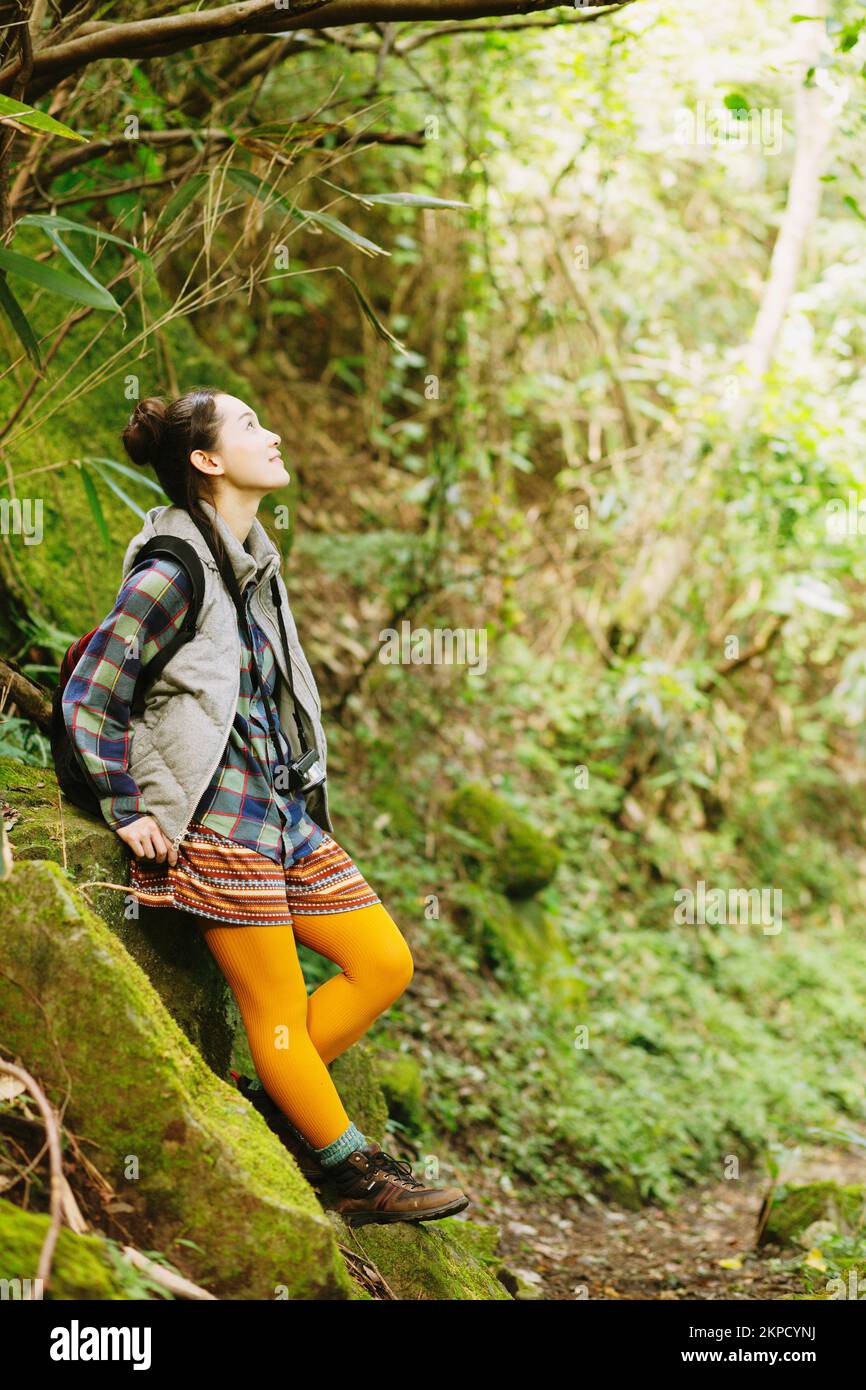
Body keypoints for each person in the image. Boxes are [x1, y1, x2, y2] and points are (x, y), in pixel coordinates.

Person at [61, 385, 469, 1227]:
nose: (273, 432)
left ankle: (273, 1095)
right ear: (207, 460)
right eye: (250, 425)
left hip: (278, 811)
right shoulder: (172, 567)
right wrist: (125, 802)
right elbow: (94, 688)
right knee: (278, 1013)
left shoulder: (252, 560)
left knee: (385, 962)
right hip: (211, 818)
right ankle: (351, 1171)